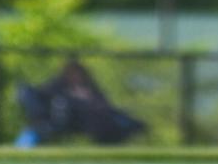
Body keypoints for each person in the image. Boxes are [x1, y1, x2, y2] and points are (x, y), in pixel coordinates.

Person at [15, 59, 146, 148]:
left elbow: (104, 105)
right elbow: (43, 98)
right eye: (73, 73)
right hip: (59, 120)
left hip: (91, 121)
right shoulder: (57, 86)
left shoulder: (89, 88)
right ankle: (23, 147)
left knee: (117, 122)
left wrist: (87, 99)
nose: (76, 77)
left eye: (78, 74)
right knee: (38, 128)